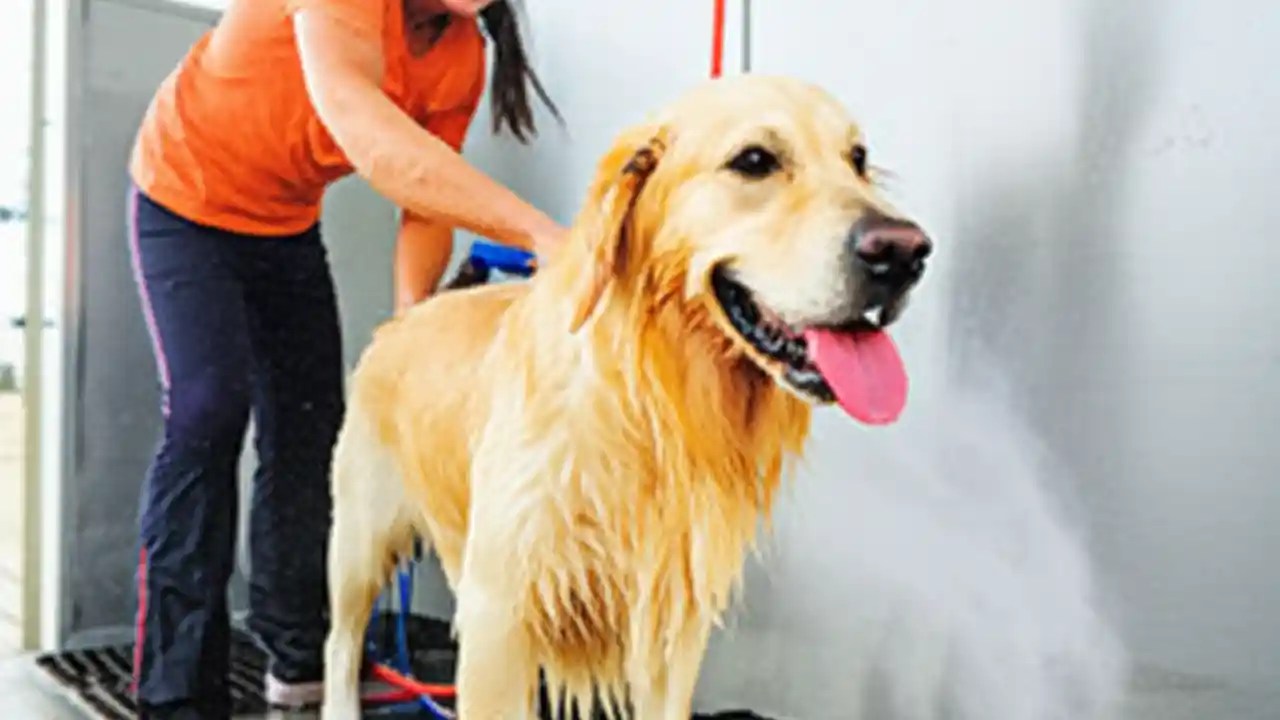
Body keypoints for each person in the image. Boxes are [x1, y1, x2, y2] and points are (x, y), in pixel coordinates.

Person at [124, 0, 564, 717]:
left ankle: (298, 654)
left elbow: (426, 203)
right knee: (207, 413)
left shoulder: (461, 56)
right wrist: (539, 232)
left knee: (311, 428)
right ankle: (173, 691)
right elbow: (371, 136)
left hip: (284, 226)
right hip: (183, 201)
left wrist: (411, 323)